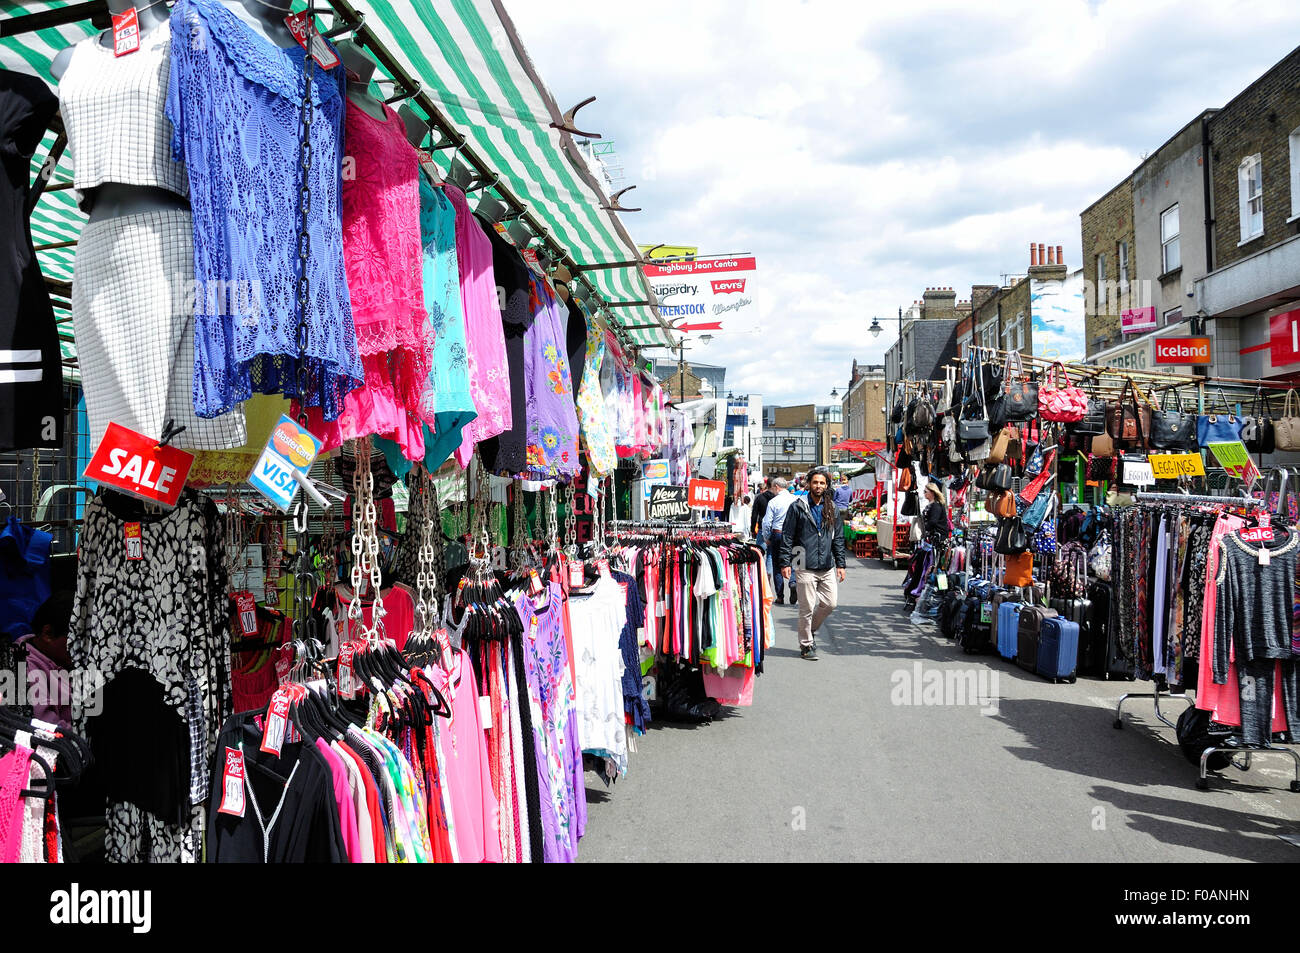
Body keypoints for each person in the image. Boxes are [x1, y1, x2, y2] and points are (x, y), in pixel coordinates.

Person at [778, 468, 847, 660]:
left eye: (822, 483)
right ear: (809, 484)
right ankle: (806, 645)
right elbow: (788, 536)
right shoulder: (797, 506)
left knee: (830, 603)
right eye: (815, 482)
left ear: (827, 486)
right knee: (806, 607)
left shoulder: (831, 507)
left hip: (826, 563)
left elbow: (838, 538)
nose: (818, 486)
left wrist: (840, 564)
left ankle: (811, 630)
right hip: (802, 560)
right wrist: (785, 563)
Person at [909, 483, 950, 625]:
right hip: (933, 540)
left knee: (936, 568)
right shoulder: (932, 505)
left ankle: (936, 596)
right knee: (931, 567)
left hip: (938, 541)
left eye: (926, 491)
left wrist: (923, 527)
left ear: (932, 492)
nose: (924, 493)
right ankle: (925, 595)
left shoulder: (936, 506)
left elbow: (932, 522)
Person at [760, 477, 797, 604]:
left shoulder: (774, 502)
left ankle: (780, 596)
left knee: (777, 564)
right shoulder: (796, 499)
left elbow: (766, 522)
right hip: (794, 534)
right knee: (795, 560)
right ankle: (793, 582)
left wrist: (766, 537)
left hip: (778, 533)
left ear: (776, 487)